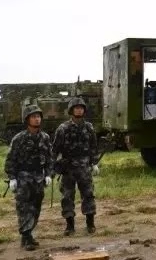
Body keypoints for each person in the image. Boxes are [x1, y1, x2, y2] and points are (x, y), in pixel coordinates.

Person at [4, 104, 53, 251]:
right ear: (27, 119)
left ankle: (29, 234)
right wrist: (12, 177)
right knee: (24, 207)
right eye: (33, 117)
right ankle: (25, 237)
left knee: (36, 207)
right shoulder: (19, 138)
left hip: (39, 178)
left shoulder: (45, 137)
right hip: (23, 177)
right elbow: (10, 159)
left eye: (38, 116)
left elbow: (50, 158)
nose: (37, 119)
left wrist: (49, 174)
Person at [51, 96, 101, 236]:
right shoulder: (63, 128)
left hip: (84, 167)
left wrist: (95, 163)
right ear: (71, 110)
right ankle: (70, 225)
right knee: (67, 196)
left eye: (81, 108)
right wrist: (51, 168)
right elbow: (55, 149)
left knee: (88, 195)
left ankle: (90, 223)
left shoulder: (89, 127)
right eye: (76, 108)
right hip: (68, 168)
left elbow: (93, 147)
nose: (79, 110)